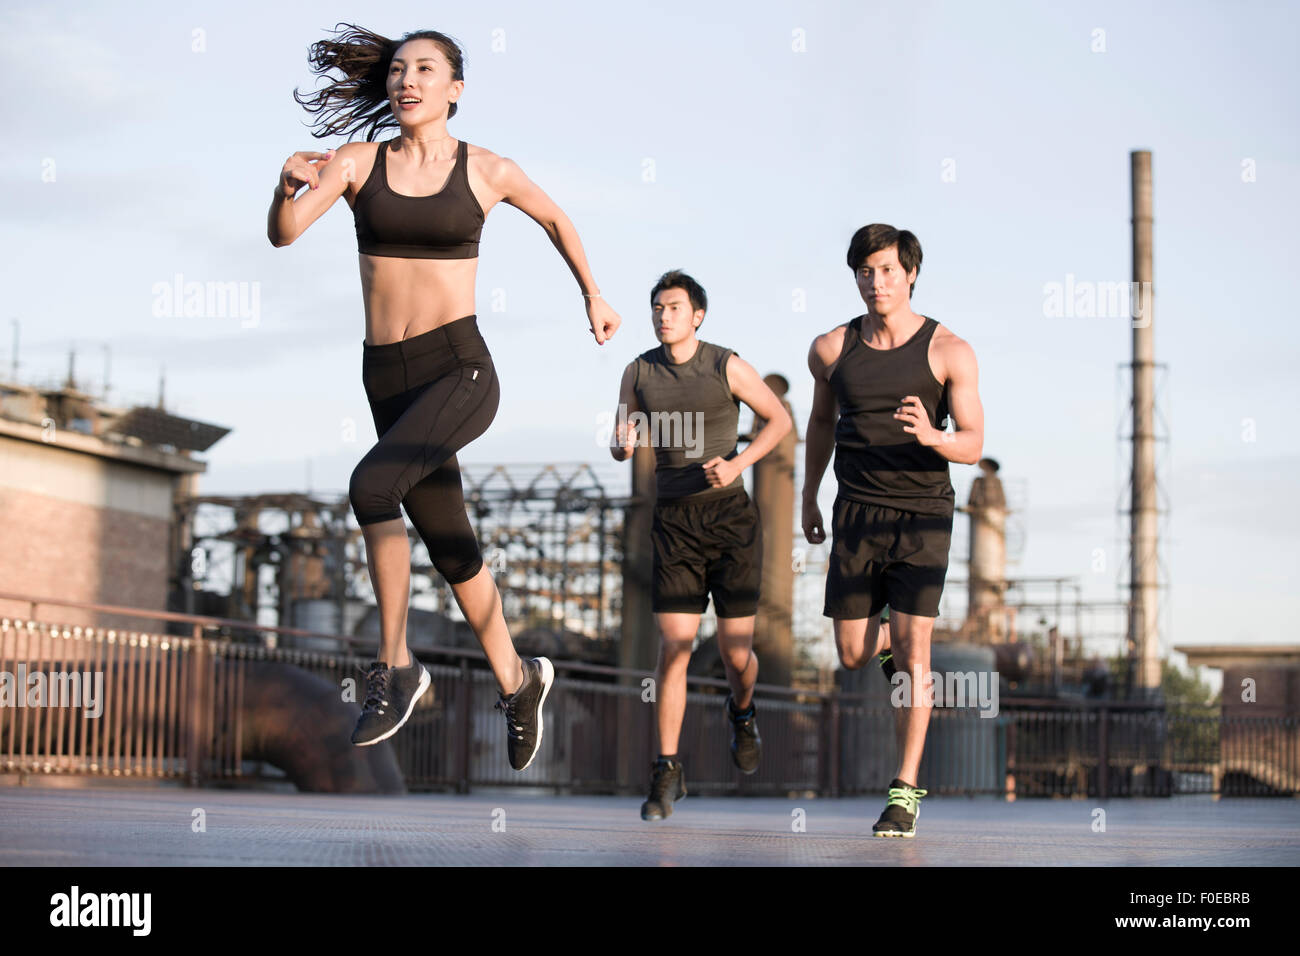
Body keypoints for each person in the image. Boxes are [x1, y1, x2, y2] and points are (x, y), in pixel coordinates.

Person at [268, 24, 621, 771]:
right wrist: (283, 185)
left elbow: (557, 217)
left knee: (370, 486)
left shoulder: (488, 169)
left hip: (458, 371)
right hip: (384, 377)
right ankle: (519, 682)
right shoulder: (359, 162)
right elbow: (286, 234)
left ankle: (396, 668)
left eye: (425, 69)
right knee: (453, 546)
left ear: (454, 89)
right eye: (398, 69)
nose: (407, 80)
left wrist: (592, 294)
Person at [802, 225, 984, 837]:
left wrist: (935, 436)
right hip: (855, 512)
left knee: (915, 652)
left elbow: (975, 442)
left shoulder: (949, 351)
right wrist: (808, 494)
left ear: (909, 274)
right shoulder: (831, 349)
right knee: (854, 653)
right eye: (864, 272)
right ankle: (890, 652)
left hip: (922, 515)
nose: (875, 282)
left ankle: (904, 791)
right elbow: (821, 424)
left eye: (886, 270)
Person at [611, 270, 792, 820]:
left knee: (738, 656)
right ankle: (667, 771)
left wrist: (737, 463)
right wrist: (622, 443)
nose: (663, 316)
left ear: (697, 316)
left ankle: (741, 712)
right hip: (675, 526)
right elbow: (621, 443)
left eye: (673, 307)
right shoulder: (637, 371)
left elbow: (779, 419)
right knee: (675, 649)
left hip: (731, 524)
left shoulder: (725, 364)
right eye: (657, 308)